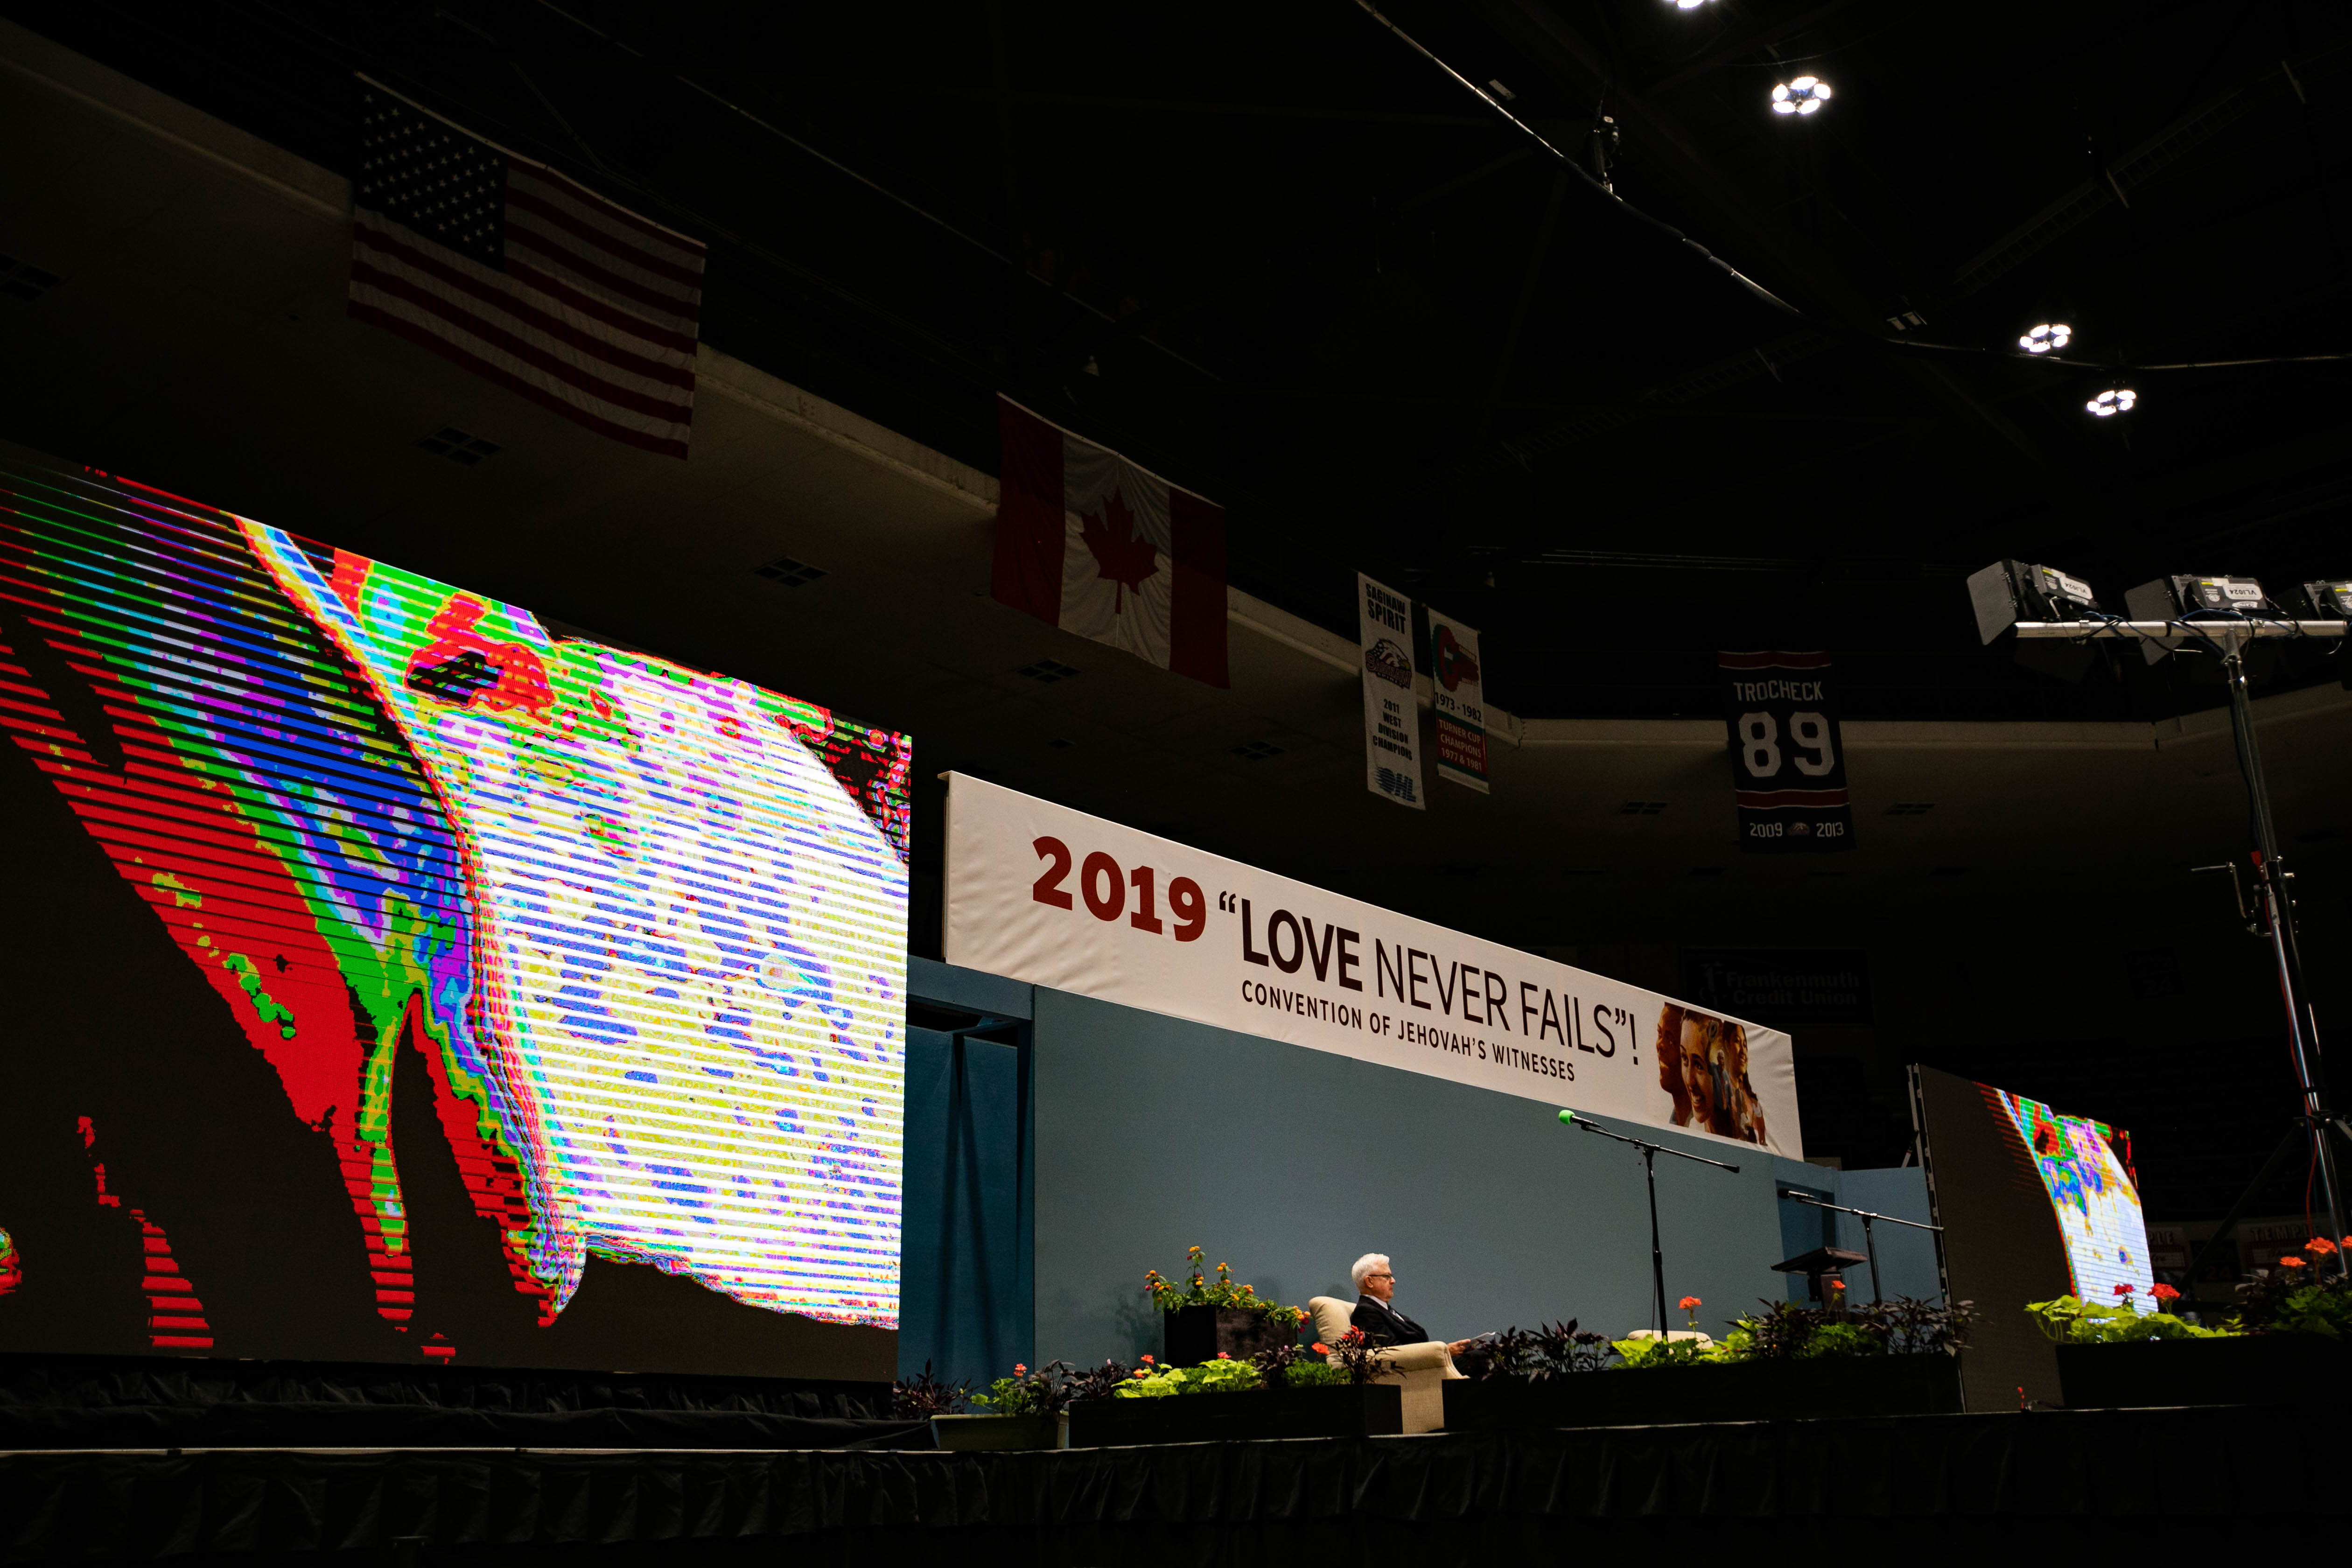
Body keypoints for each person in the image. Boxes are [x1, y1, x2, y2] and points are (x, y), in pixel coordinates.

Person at [1349, 1253, 1476, 1357]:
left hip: (1426, 1365)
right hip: (1416, 1372)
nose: (1393, 1281)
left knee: (1482, 1354)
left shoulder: (1385, 1310)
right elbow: (1393, 1353)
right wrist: (1445, 1351)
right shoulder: (1365, 1313)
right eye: (1387, 1276)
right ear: (1370, 1281)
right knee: (1480, 1358)